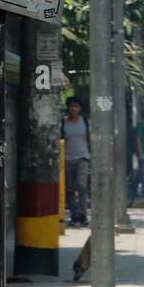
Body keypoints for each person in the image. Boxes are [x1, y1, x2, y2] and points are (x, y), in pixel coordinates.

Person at [62, 96, 90, 227]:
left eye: (76, 106)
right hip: (67, 159)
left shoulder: (85, 122)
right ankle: (75, 215)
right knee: (70, 189)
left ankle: (83, 213)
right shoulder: (63, 122)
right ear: (68, 108)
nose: (74, 109)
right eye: (71, 106)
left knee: (82, 185)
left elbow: (90, 139)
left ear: (80, 108)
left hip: (82, 158)